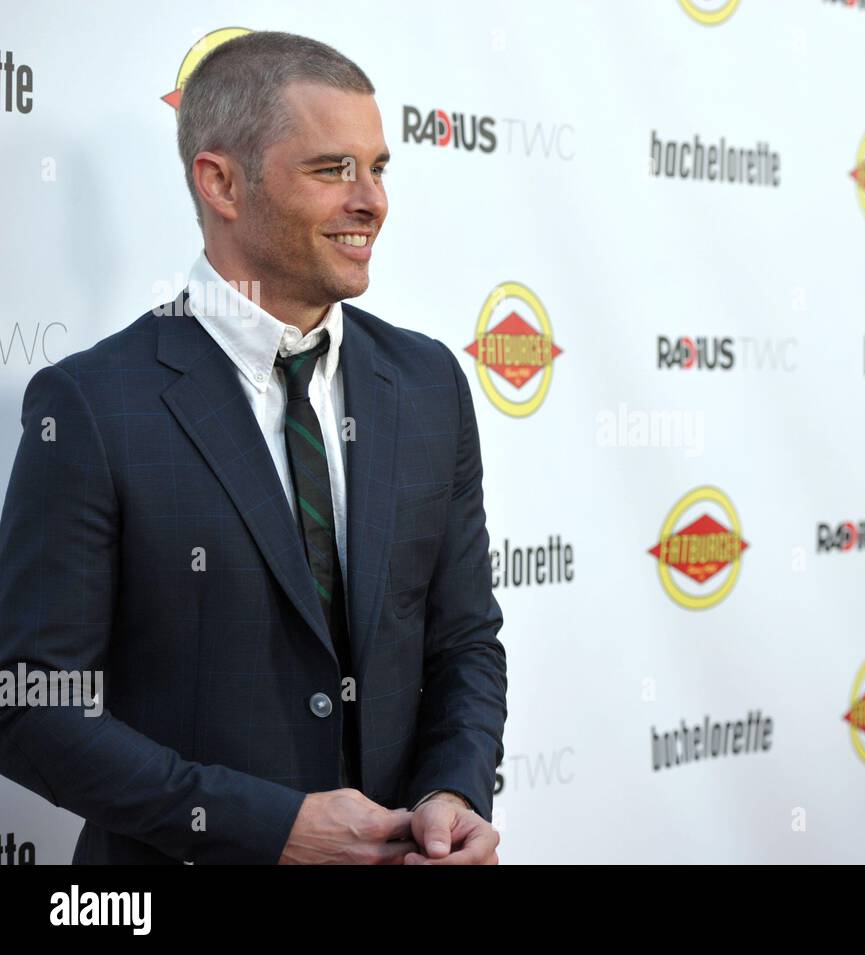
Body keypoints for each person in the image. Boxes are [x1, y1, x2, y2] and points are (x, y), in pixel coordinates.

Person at [0, 31, 506, 864]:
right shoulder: (92, 405)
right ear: (222, 182)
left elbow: (464, 641)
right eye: (331, 168)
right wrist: (268, 828)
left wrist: (450, 793)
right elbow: (33, 711)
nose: (372, 200)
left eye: (379, 167)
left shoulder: (427, 383)